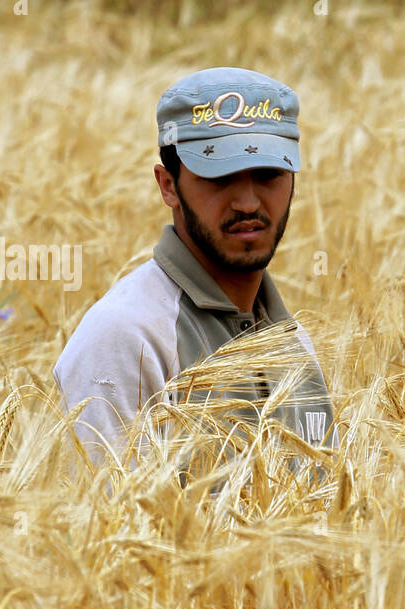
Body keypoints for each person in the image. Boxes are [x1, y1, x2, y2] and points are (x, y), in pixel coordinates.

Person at [53, 67, 338, 472]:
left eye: (268, 174)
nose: (248, 202)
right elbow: (110, 527)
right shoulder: (125, 338)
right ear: (168, 185)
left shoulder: (294, 343)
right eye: (219, 176)